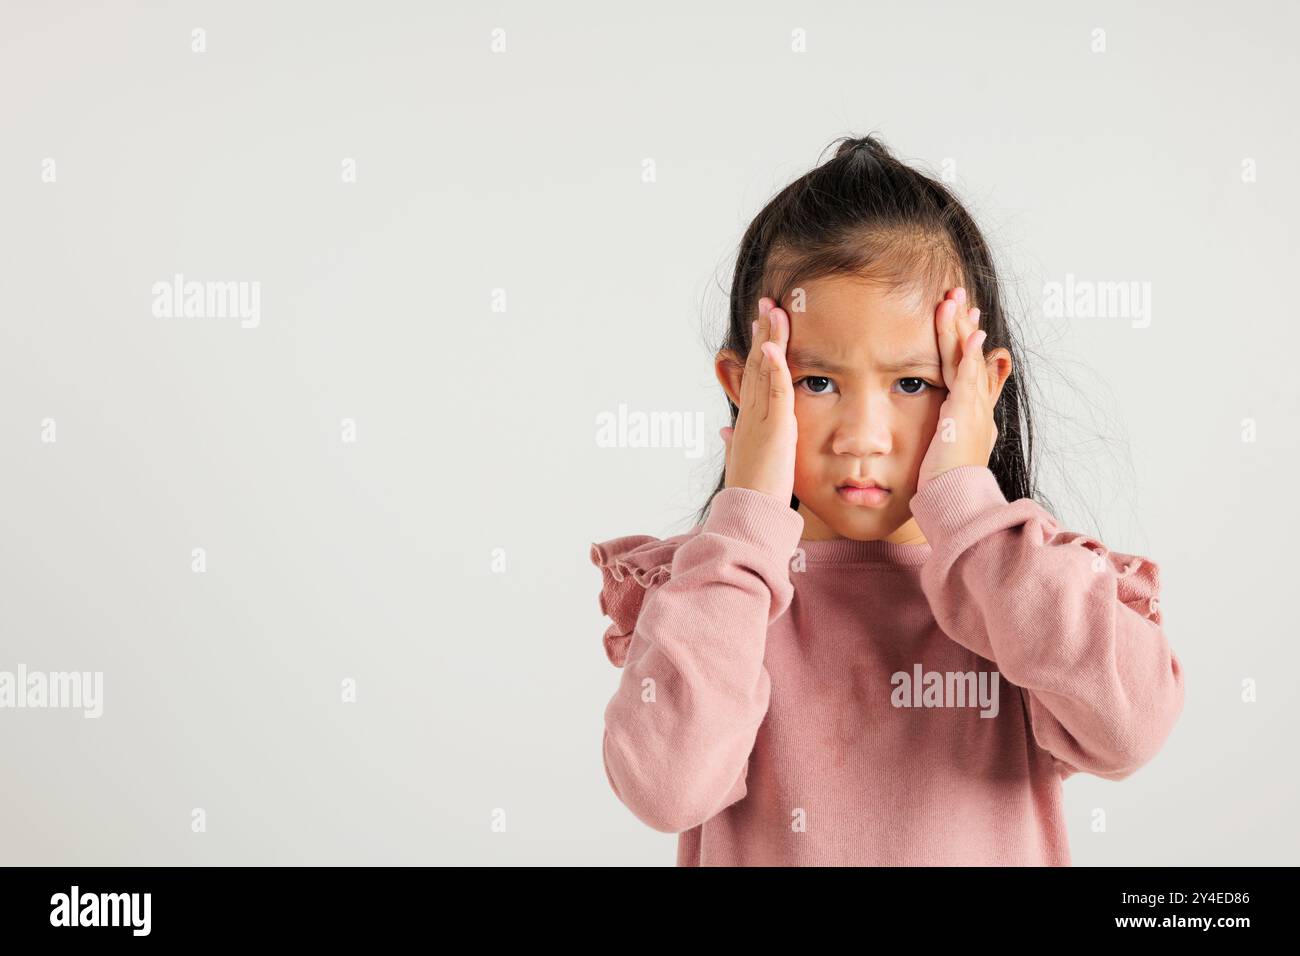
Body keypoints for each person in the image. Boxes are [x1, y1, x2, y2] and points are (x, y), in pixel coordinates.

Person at [590, 133, 1184, 866]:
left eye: (911, 385)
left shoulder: (1022, 591)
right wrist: (744, 523)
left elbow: (1129, 731)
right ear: (742, 387)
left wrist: (971, 512)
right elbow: (665, 789)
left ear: (981, 386)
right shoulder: (717, 598)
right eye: (817, 383)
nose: (863, 437)